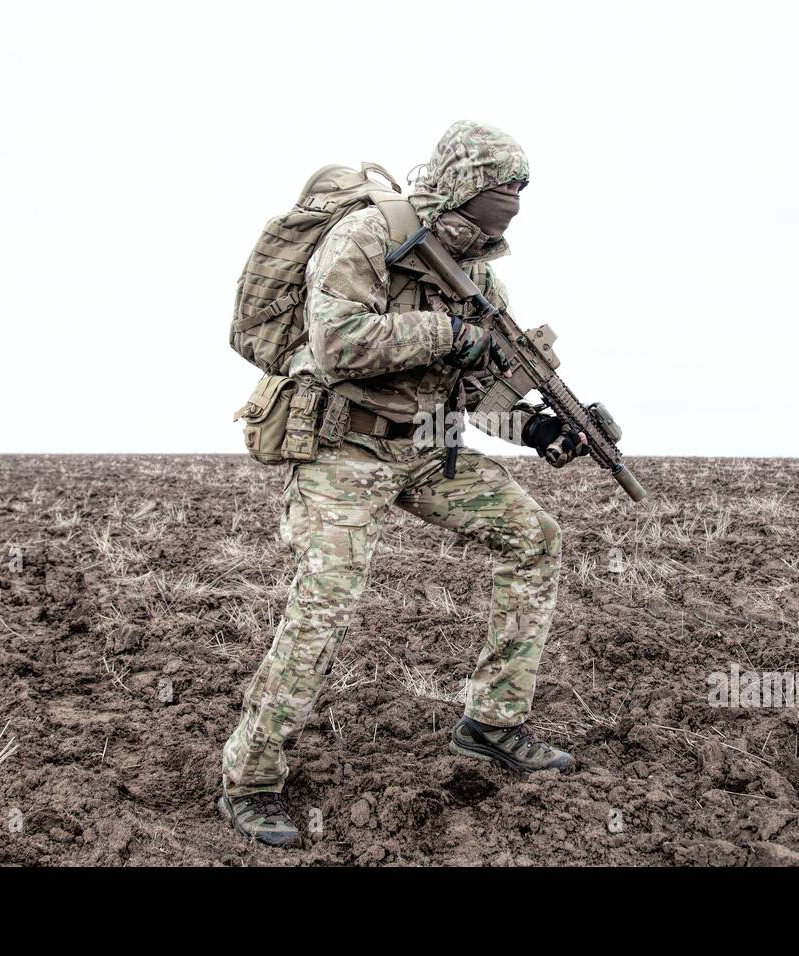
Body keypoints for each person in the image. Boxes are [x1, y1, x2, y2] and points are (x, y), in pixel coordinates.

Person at [219, 121, 588, 847]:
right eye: (494, 197)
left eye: (513, 199)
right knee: (326, 601)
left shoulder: (479, 276)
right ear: (458, 187)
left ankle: (491, 723)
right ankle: (251, 778)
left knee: (534, 539)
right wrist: (449, 336)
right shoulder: (364, 236)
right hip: (341, 443)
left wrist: (539, 429)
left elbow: (474, 394)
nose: (504, 213)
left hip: (425, 444)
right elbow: (340, 343)